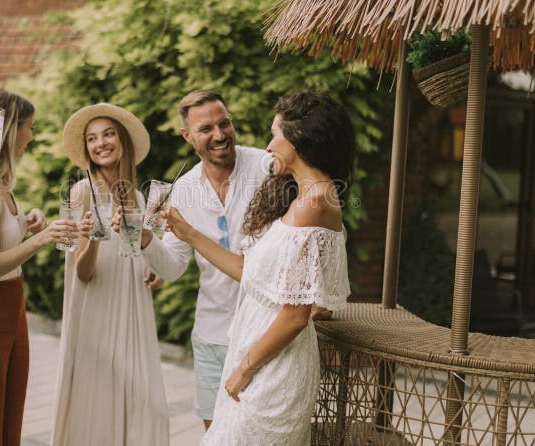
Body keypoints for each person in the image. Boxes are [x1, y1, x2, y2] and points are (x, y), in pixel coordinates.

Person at [164, 91, 354, 444]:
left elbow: (296, 315)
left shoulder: (314, 203)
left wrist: (244, 369)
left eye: (275, 134)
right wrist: (187, 232)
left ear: (297, 140)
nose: (268, 146)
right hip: (256, 353)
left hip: (270, 366)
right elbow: (252, 273)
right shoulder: (303, 197)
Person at [0, 89, 78, 446]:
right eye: (29, 127)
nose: (32, 136)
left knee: (10, 414)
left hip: (11, 308)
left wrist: (25, 223)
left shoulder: (1, 186)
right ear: (9, 129)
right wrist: (41, 239)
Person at [135, 90, 270, 429]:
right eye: (207, 128)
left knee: (262, 433)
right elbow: (173, 266)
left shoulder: (267, 168)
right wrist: (146, 239)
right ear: (188, 136)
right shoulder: (183, 189)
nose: (220, 135)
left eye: (224, 124)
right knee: (215, 433)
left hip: (265, 331)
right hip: (212, 333)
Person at [51, 103, 169, 445]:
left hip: (132, 305)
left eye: (108, 134)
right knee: (99, 404)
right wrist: (91, 239)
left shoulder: (138, 194)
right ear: (86, 148)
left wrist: (151, 269)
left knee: (148, 404)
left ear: (122, 141)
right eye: (92, 138)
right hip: (97, 310)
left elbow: (136, 252)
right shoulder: (80, 192)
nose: (100, 143)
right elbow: (81, 274)